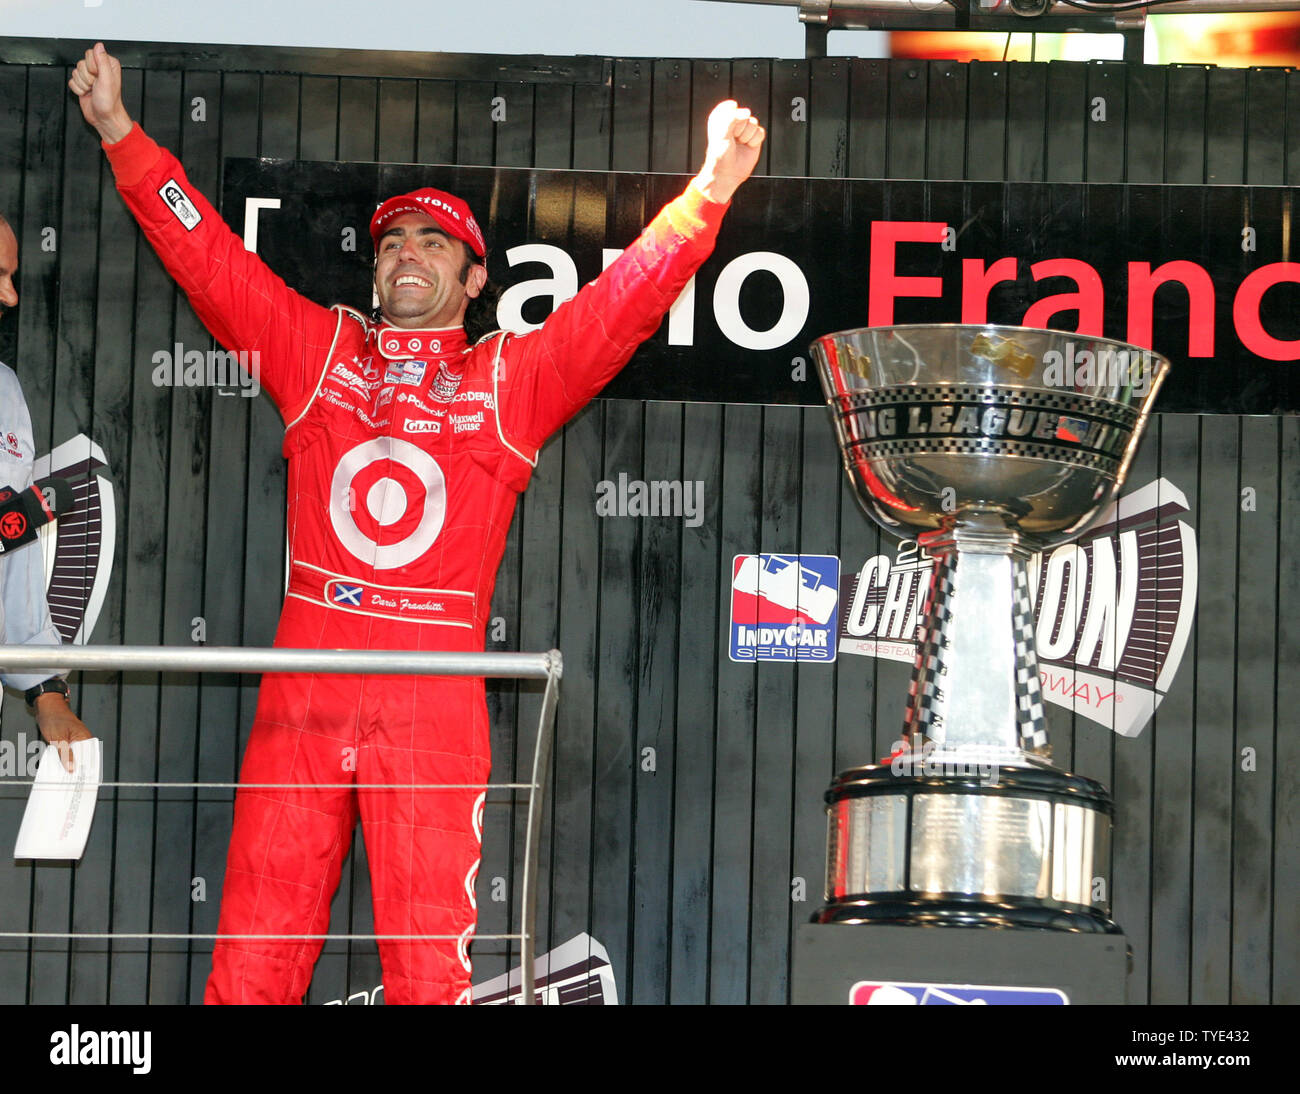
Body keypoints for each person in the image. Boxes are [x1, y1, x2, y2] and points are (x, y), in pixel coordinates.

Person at [69, 41, 764, 1005]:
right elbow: (211, 260)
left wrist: (708, 194)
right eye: (394, 242)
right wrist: (120, 132)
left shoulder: (508, 379)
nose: (407, 256)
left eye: (434, 245)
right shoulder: (322, 349)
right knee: (256, 945)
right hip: (309, 665)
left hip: (433, 682)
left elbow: (617, 309)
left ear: (476, 281)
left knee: (427, 966)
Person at [0, 213, 93, 773]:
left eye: (12, 277)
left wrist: (46, 692)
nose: (9, 297)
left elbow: (13, 547)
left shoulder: (5, 390)